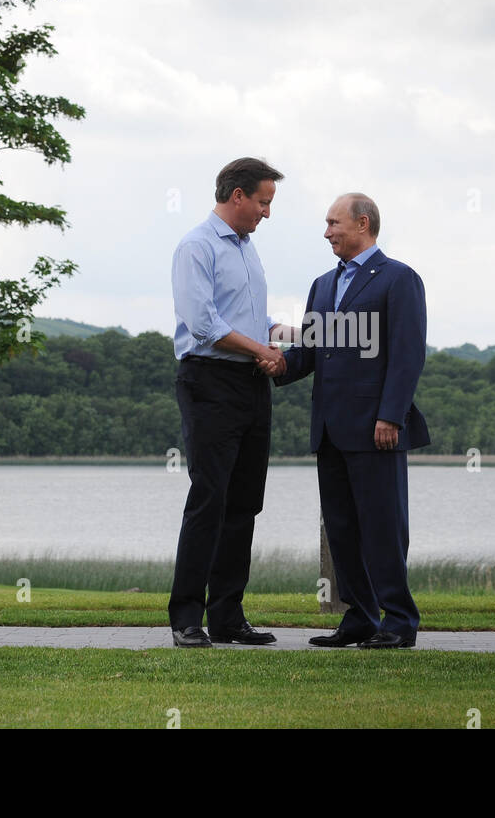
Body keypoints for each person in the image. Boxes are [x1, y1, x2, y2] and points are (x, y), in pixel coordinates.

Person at [264, 193, 430, 648]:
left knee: (383, 526)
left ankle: (398, 622)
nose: (326, 232)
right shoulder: (322, 284)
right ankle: (360, 617)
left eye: (333, 223)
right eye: (325, 223)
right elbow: (313, 351)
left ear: (362, 223)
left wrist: (390, 416)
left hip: (377, 428)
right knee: (342, 529)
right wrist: (280, 365)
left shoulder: (399, 279)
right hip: (330, 428)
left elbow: (407, 355)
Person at [168, 157, 291, 648]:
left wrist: (293, 339)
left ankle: (227, 617)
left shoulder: (248, 250)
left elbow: (251, 321)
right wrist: (261, 349)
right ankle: (185, 618)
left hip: (251, 385)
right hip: (210, 380)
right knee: (209, 500)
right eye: (263, 202)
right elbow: (204, 325)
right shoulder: (196, 246)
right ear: (237, 195)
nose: (266, 212)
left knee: (245, 502)